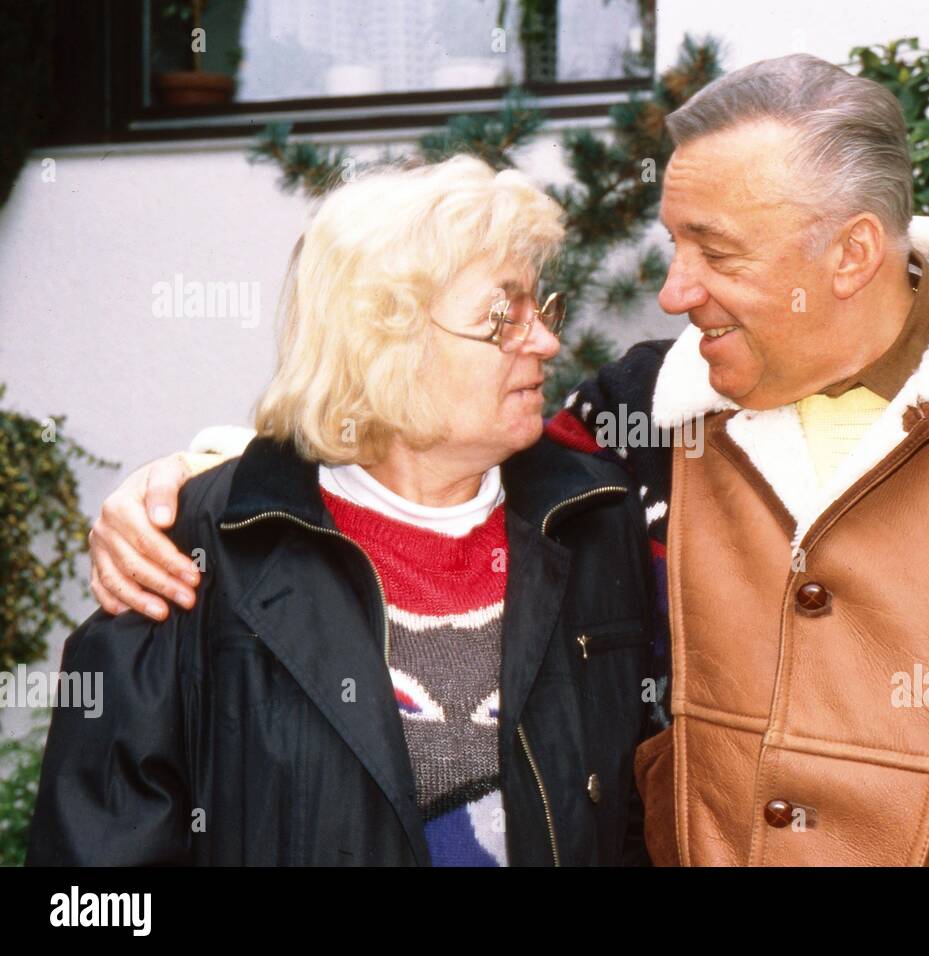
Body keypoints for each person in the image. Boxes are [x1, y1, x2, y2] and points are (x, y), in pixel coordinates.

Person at [84, 55, 929, 867]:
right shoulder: (636, 426)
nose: (671, 293)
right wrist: (198, 485)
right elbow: (413, 455)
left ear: (850, 254)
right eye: (672, 244)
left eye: (711, 252)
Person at [28, 156, 656, 866]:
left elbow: (641, 814)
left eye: (540, 308)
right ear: (383, 338)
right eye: (501, 316)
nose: (545, 341)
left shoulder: (595, 519)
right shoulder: (189, 550)